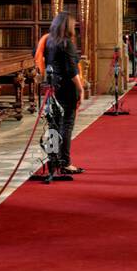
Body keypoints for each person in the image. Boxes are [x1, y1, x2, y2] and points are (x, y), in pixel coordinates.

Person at [41, 11, 83, 175]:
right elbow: (72, 71)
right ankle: (65, 162)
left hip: (53, 87)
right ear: (67, 26)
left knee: (54, 124)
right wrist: (81, 89)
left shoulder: (48, 41)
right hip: (66, 88)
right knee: (66, 125)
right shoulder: (67, 44)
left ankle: (53, 160)